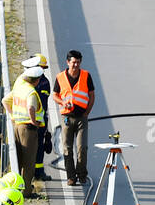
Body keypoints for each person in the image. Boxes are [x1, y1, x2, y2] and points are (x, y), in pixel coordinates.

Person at [55, 49, 95, 186]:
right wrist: (62, 102)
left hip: (81, 118)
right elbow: (55, 95)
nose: (76, 65)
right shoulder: (60, 77)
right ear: (68, 62)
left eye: (78, 62)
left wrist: (87, 112)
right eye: (73, 62)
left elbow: (92, 95)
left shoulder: (86, 76)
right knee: (67, 148)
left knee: (82, 147)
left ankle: (82, 174)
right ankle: (71, 177)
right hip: (67, 117)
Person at [5, 65, 46, 197]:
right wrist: (34, 121)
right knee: (29, 163)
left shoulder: (19, 88)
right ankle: (27, 192)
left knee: (18, 160)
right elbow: (31, 108)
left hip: (17, 126)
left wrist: (13, 115)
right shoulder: (31, 92)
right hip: (28, 129)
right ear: (37, 80)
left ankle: (17, 188)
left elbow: (5, 100)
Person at [22, 54, 52, 182]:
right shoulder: (32, 81)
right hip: (34, 120)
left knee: (39, 146)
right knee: (33, 147)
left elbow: (42, 104)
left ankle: (38, 172)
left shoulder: (43, 83)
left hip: (37, 120)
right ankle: (33, 173)